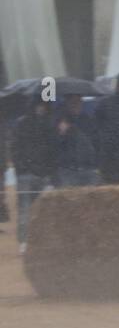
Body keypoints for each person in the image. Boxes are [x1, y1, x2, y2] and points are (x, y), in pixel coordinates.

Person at [12, 98, 58, 253]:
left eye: (43, 106)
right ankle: (24, 242)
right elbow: (15, 147)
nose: (41, 108)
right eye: (39, 105)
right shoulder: (22, 124)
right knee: (25, 209)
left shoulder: (48, 125)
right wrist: (22, 168)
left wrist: (49, 174)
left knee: (41, 210)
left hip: (42, 174)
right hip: (26, 175)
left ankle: (39, 241)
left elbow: (52, 151)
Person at [53, 112, 98, 187]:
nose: (59, 126)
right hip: (72, 171)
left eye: (61, 123)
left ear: (68, 124)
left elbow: (81, 156)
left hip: (73, 173)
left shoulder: (76, 137)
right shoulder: (62, 137)